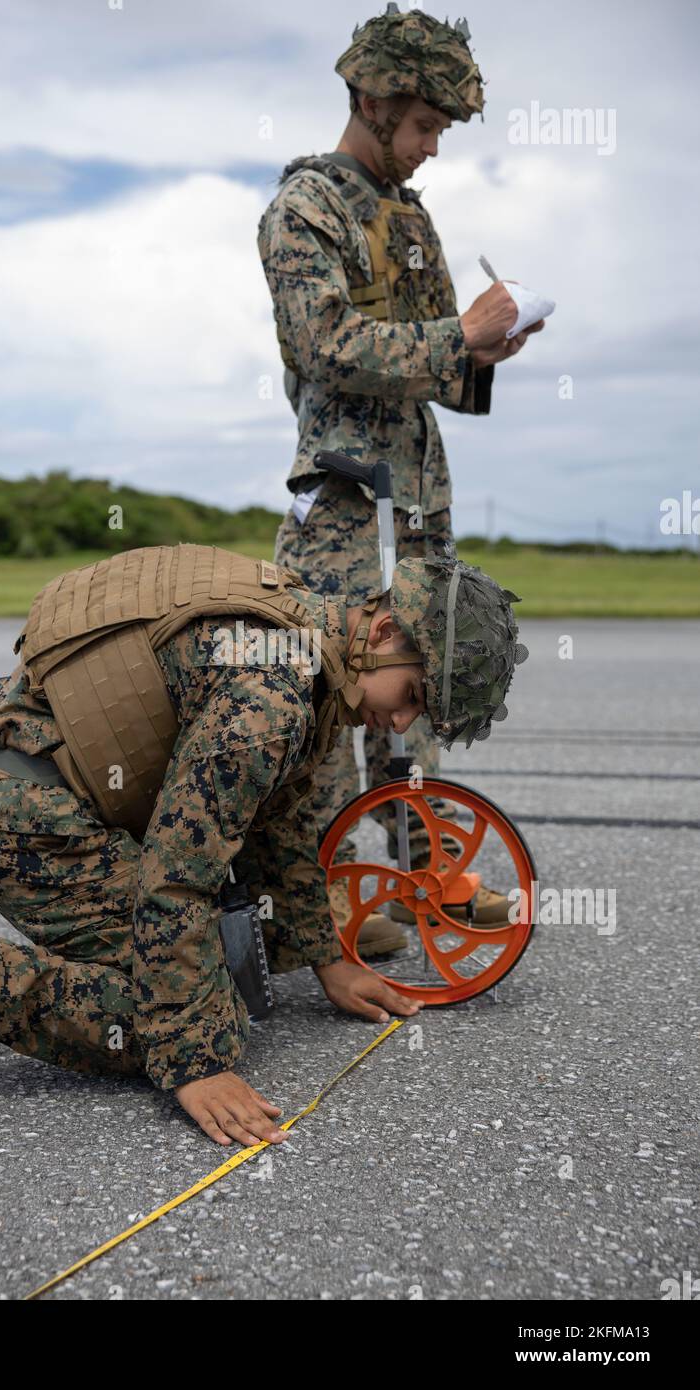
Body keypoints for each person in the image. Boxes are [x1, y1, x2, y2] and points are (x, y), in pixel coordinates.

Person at [0, 542, 527, 1149]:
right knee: (212, 1019)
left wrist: (327, 958)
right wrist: (196, 1064)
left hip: (40, 780)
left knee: (208, 974)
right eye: (412, 694)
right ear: (382, 631)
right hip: (26, 822)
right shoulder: (272, 697)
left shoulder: (306, 637)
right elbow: (176, 877)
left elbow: (278, 824)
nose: (404, 720)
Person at [256, 6, 544, 930]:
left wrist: (486, 349)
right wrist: (456, 335)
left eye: (440, 131)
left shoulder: (410, 219)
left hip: (418, 493)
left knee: (419, 691)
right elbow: (326, 344)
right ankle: (329, 897)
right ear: (374, 99)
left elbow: (436, 365)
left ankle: (431, 876)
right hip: (345, 495)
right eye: (423, 125)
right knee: (338, 697)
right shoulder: (303, 208)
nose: (430, 148)